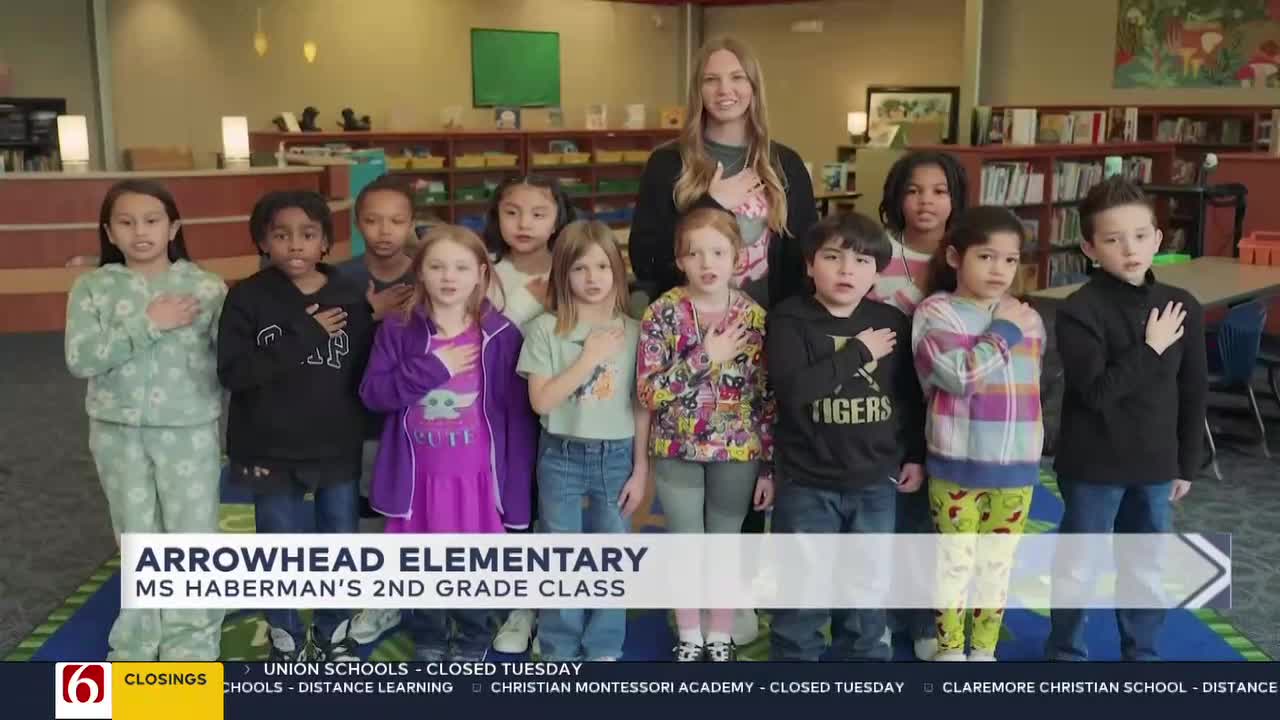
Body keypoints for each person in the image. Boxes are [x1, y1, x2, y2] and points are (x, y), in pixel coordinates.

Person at [64, 179, 227, 661]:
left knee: (192, 535)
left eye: (152, 220)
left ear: (173, 227)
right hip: (117, 431)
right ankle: (139, 638)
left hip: (189, 429)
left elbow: (230, 359)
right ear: (109, 232)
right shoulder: (93, 286)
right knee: (135, 534)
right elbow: (82, 359)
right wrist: (150, 322)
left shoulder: (205, 286)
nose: (140, 232)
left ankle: (192, 641)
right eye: (126, 222)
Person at [1046, 177, 1207, 662]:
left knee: (1145, 566)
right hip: (1093, 463)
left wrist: (1186, 463)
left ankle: (1143, 655)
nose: (1130, 249)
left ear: (1159, 238)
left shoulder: (1182, 306)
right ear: (1090, 248)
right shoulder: (1079, 309)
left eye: (1140, 236)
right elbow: (1095, 394)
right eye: (1113, 239)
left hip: (1156, 463)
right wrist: (1151, 348)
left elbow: (1192, 389)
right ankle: (1065, 652)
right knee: (1080, 565)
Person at [358, 224, 536, 662]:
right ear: (420, 274)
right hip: (419, 478)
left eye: (460, 267)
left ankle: (474, 632)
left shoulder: (500, 335)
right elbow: (373, 395)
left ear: (480, 273)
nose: (448, 276)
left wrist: (515, 484)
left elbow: (516, 417)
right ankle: (431, 633)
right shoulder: (399, 331)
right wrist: (433, 366)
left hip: (476, 478)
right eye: (436, 266)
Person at [217, 190, 374, 662]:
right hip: (269, 448)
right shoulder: (247, 297)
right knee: (279, 545)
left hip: (336, 446)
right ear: (263, 241)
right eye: (281, 235)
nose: (295, 245)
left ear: (325, 241)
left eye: (308, 234)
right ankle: (283, 632)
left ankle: (334, 630)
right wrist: (306, 333)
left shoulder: (347, 292)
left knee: (339, 543)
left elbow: (365, 369)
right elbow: (234, 373)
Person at [765, 212, 926, 662]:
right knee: (802, 582)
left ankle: (868, 660)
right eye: (832, 258)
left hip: (875, 478)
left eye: (860, 260)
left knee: (869, 581)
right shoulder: (790, 318)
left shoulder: (891, 320)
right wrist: (858, 352)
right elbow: (794, 391)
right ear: (810, 265)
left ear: (877, 271)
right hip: (806, 477)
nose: (846, 270)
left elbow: (908, 396)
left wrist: (914, 454)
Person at [637, 208, 774, 661]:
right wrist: (706, 357)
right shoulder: (662, 313)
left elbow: (766, 396)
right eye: (694, 253)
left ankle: (720, 632)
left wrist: (770, 464)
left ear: (738, 257)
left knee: (723, 543)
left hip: (738, 449)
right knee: (686, 544)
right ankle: (689, 633)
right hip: (676, 446)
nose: (706, 262)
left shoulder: (754, 316)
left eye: (718, 252)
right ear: (680, 260)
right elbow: (648, 391)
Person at [911, 206, 1046, 661]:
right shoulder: (938, 313)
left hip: (1017, 467)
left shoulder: (1028, 317)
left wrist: (1012, 323)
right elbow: (960, 377)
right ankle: (951, 650)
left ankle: (983, 651)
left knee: (997, 566)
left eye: (1010, 260)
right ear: (954, 256)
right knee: (954, 564)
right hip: (957, 465)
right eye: (987, 257)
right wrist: (1005, 329)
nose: (1000, 270)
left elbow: (1031, 389)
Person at [517, 219, 650, 662]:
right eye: (579, 269)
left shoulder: (634, 331)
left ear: (617, 270)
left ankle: (604, 645)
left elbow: (640, 405)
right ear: (562, 275)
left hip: (616, 456)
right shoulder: (546, 329)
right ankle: (557, 644)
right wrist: (589, 358)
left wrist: (641, 468)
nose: (592, 278)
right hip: (561, 455)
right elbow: (541, 400)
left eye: (601, 266)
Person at [630, 34, 818, 312]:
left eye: (737, 77)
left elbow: (806, 258)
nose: (724, 89)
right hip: (687, 328)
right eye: (711, 80)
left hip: (770, 328)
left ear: (753, 87)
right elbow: (645, 260)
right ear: (698, 90)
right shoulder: (667, 163)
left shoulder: (786, 164)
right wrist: (711, 205)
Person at [868, 149, 969, 660]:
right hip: (884, 409)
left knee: (936, 522)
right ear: (896, 197)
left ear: (955, 198)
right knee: (888, 516)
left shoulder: (968, 258)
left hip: (949, 409)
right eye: (913, 190)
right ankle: (883, 618)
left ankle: (928, 621)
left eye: (938, 190)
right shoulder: (873, 254)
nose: (925, 202)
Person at [482, 174, 575, 656]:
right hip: (500, 411)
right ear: (496, 216)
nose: (524, 223)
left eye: (539, 213)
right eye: (512, 211)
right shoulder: (485, 271)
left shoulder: (574, 270)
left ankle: (552, 607)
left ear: (559, 218)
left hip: (563, 413)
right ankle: (520, 603)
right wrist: (522, 304)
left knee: (555, 511)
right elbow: (475, 342)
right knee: (515, 509)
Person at [339, 176, 418, 646]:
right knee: (370, 504)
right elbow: (327, 353)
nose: (384, 230)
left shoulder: (432, 270)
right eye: (372, 220)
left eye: (396, 220)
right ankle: (378, 592)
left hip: (423, 419)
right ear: (356, 223)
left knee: (418, 506)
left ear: (412, 223)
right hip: (360, 417)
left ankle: (427, 591)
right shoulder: (341, 278)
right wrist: (368, 316)